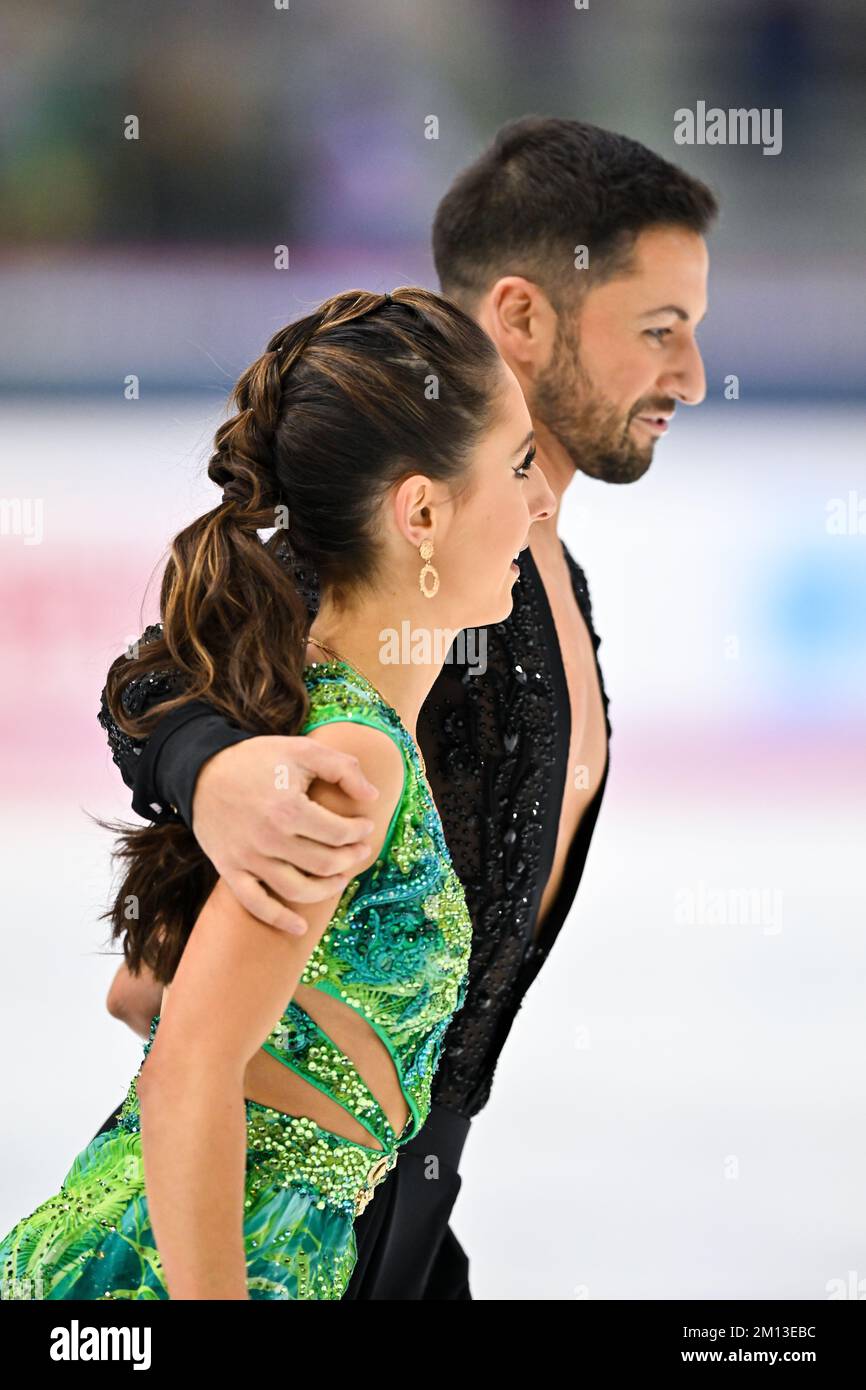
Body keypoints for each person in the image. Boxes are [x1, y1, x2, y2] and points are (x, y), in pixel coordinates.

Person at [95, 118, 718, 1299]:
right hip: (278, 1220)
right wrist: (210, 770)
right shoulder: (405, 568)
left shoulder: (545, 578)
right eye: (657, 329)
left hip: (395, 1212)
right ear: (523, 317)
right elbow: (156, 675)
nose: (687, 372)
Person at [0, 286, 556, 1301]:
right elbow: (186, 1076)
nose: (540, 501)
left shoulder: (304, 704)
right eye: (517, 466)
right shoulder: (353, 756)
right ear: (422, 511)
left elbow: (144, 992)